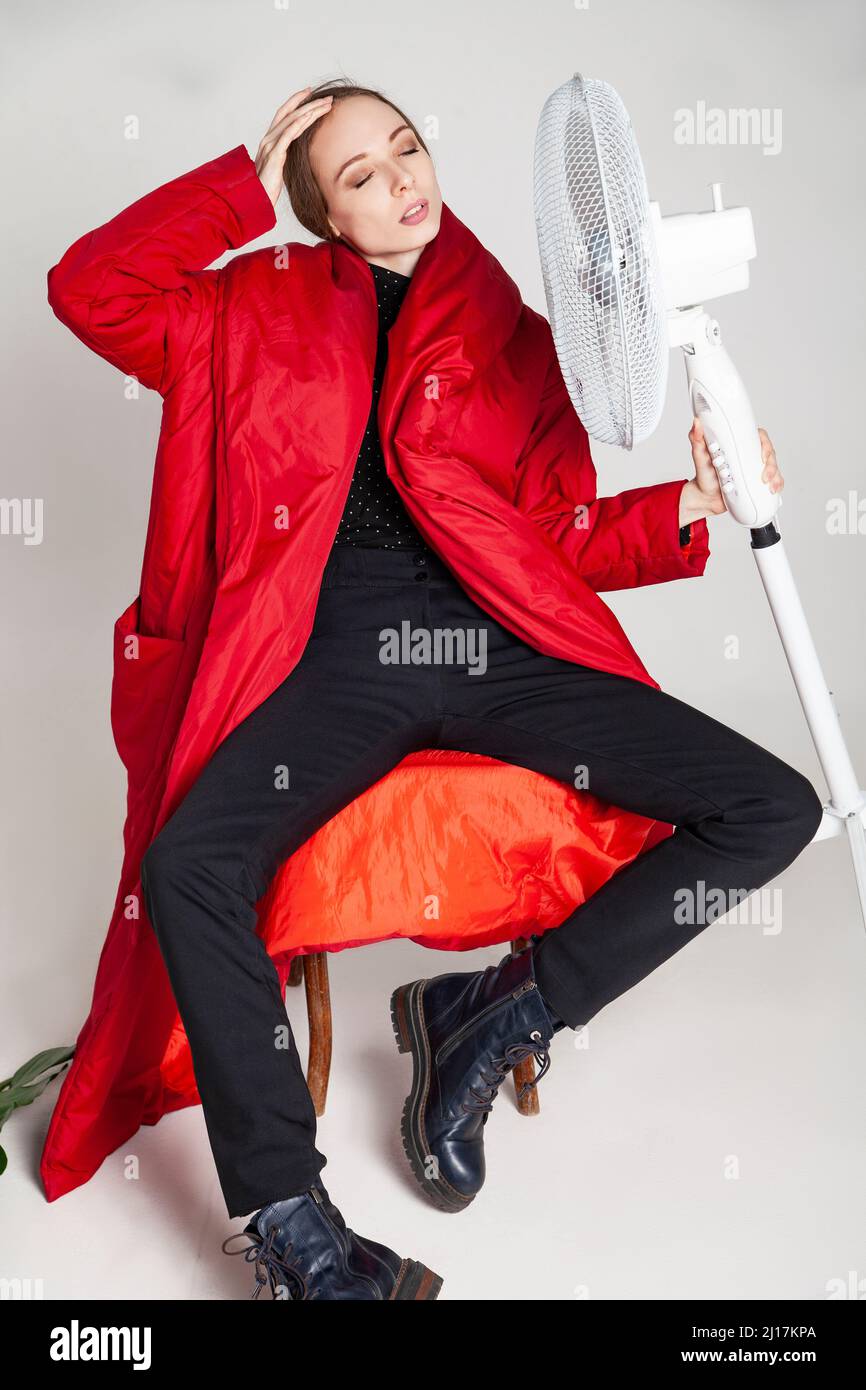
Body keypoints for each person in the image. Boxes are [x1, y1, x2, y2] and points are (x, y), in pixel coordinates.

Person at [60, 82, 823, 1301]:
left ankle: (499, 1012)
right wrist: (243, 184)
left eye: (405, 149)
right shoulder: (244, 307)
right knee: (190, 862)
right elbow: (87, 289)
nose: (400, 181)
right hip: (334, 656)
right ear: (319, 211)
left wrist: (685, 508)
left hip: (492, 644)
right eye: (357, 174)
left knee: (773, 808)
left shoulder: (514, 332)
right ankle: (291, 1223)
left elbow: (556, 535)